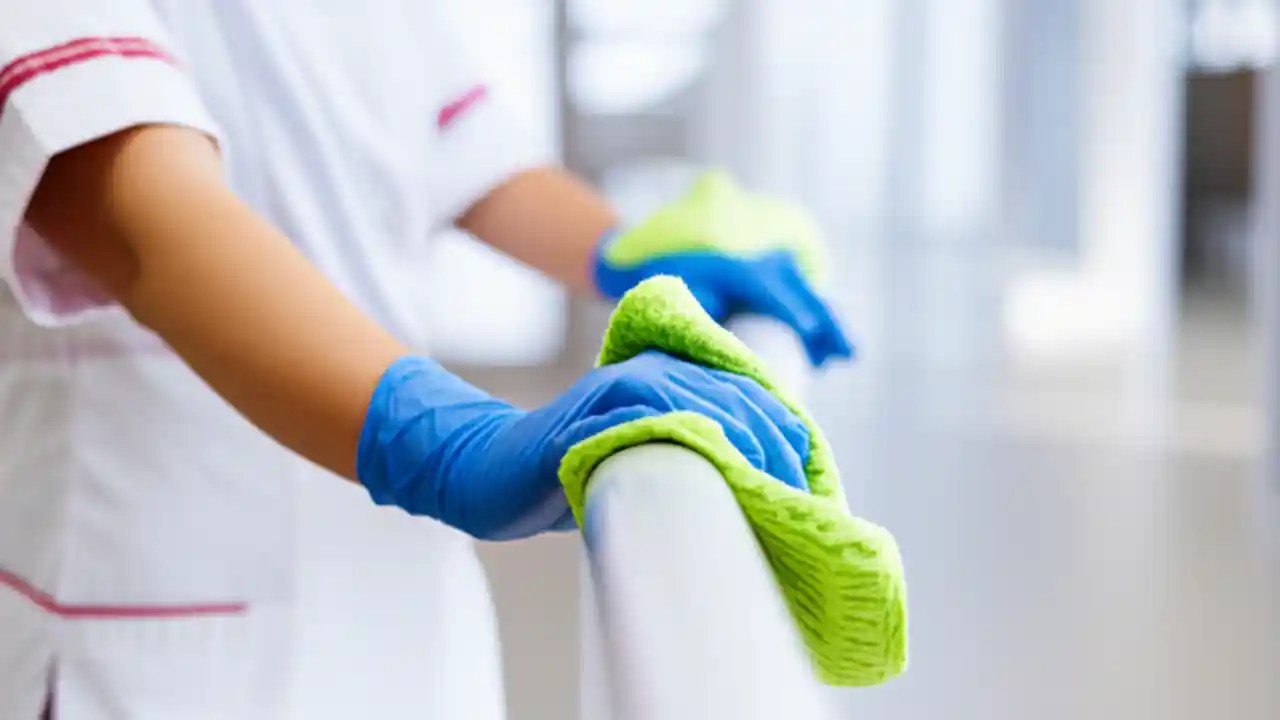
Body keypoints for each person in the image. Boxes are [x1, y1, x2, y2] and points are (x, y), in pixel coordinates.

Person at [0, 2, 851, 718]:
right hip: (148, 635)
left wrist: (625, 248)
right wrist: (449, 440)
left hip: (398, 604)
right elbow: (145, 221)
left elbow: (469, 154)